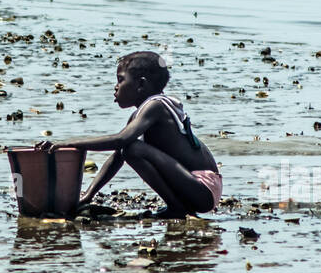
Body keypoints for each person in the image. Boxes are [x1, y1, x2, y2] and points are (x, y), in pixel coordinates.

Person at [37, 51, 220, 218]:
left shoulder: (155, 106)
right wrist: (88, 196)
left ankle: (177, 208)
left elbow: (121, 140)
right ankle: (178, 206)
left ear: (141, 84)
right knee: (128, 149)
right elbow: (117, 157)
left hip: (202, 188)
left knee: (132, 148)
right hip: (196, 188)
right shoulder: (142, 113)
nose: (116, 87)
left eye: (120, 80)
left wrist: (68, 143)